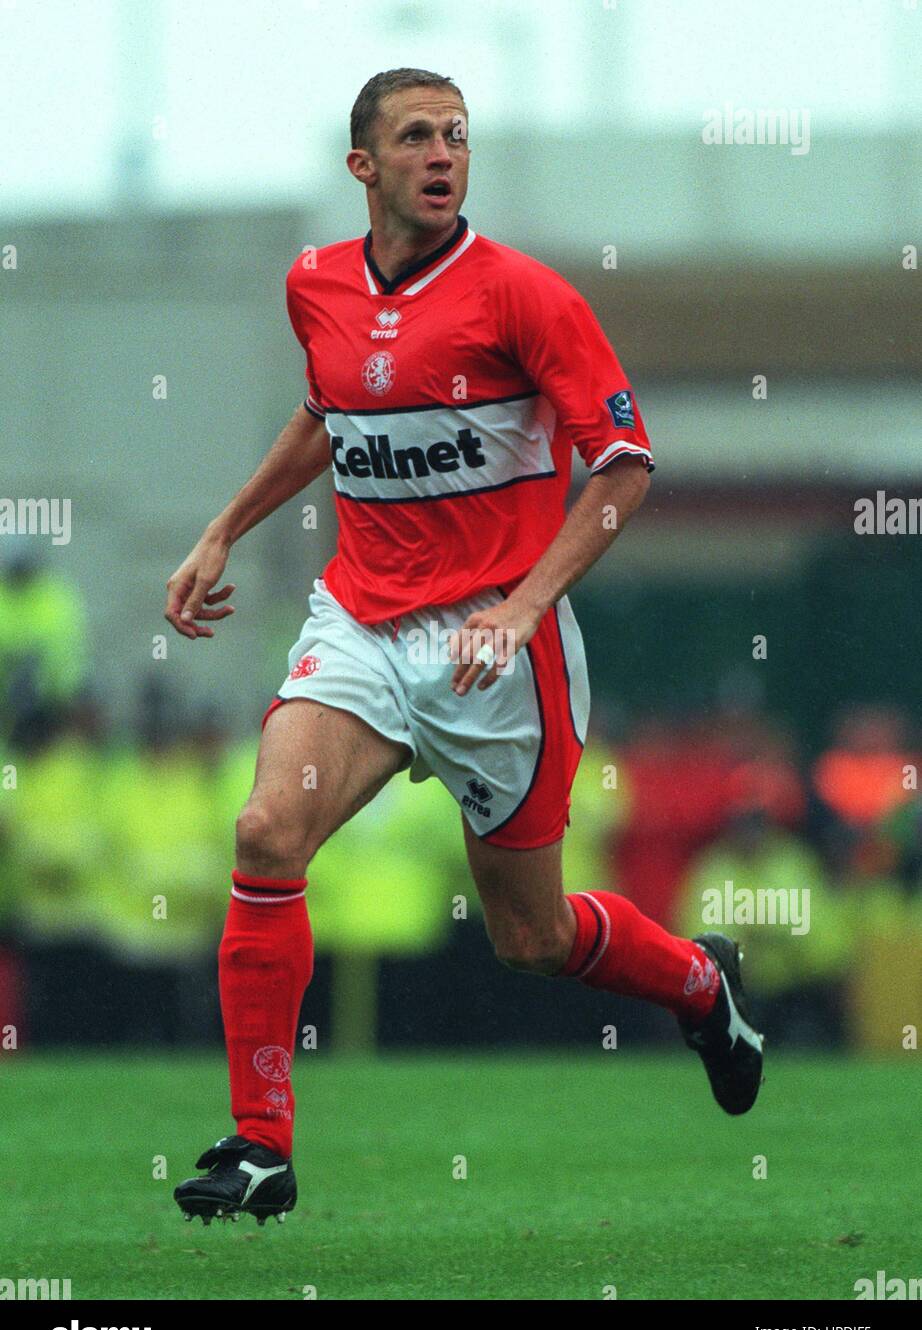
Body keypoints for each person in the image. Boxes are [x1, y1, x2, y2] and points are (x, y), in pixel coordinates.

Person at [165, 68, 763, 1227]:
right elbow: (329, 412)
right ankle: (259, 1143)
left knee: (530, 938)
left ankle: (698, 983)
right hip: (361, 619)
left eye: (457, 136)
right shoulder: (315, 284)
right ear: (364, 166)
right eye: (417, 137)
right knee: (264, 828)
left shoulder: (523, 297)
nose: (443, 154)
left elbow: (625, 467)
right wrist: (222, 528)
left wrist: (527, 603)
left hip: (496, 645)